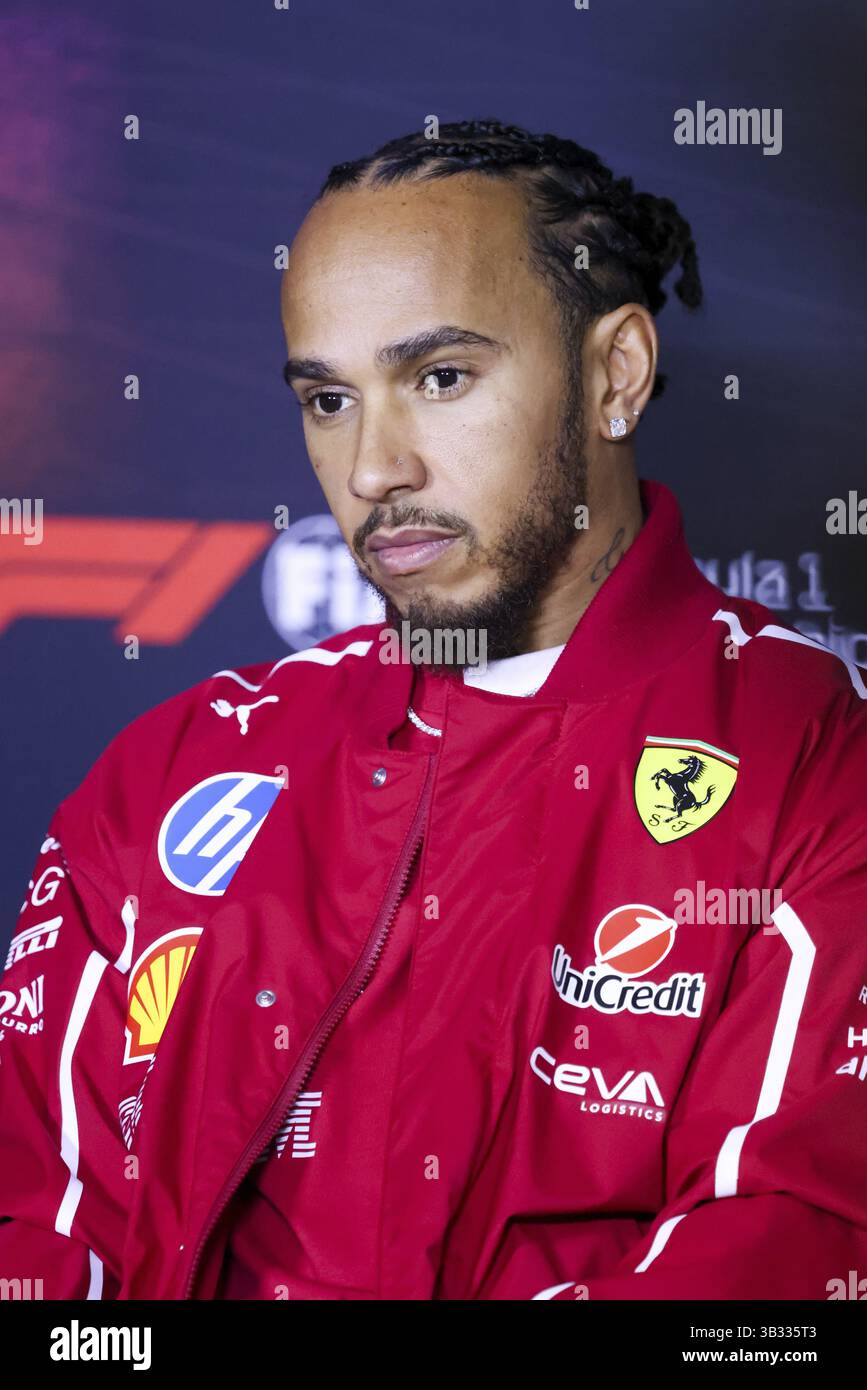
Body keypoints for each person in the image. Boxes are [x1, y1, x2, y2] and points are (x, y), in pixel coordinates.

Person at [1, 119, 865, 1301]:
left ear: (615, 373)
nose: (371, 470)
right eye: (327, 399)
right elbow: (35, 1230)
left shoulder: (815, 759)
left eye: (439, 377)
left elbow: (792, 1251)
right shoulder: (174, 771)